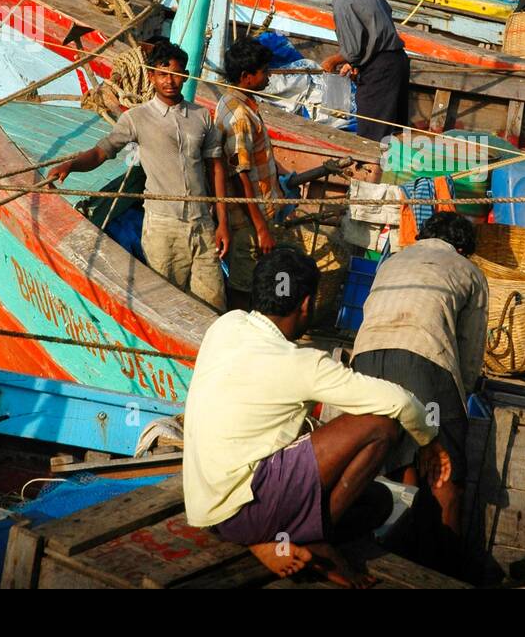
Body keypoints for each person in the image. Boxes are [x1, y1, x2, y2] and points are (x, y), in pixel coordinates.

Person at [183, 247, 450, 587]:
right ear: (306, 304)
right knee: (380, 426)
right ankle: (311, 538)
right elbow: (398, 401)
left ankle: (272, 539)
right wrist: (431, 442)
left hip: (208, 510)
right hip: (244, 508)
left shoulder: (225, 325)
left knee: (378, 503)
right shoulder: (302, 363)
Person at [350, 211, 488, 573]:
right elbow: (470, 349)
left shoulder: (392, 261)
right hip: (424, 361)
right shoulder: (468, 270)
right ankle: (445, 570)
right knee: (447, 476)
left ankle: (398, 561)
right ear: (462, 248)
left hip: (365, 362)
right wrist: (463, 394)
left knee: (400, 463)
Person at [48, 42, 228, 311]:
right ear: (152, 76)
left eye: (176, 74)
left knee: (214, 302)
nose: (170, 81)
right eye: (162, 74)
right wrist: (71, 165)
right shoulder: (137, 118)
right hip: (162, 226)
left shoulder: (201, 116)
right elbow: (102, 152)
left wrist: (222, 222)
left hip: (202, 223)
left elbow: (217, 168)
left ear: (186, 75)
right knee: (167, 305)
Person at [213, 36, 298, 310]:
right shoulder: (240, 117)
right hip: (249, 222)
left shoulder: (230, 100)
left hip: (259, 212)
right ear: (246, 77)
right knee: (244, 286)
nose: (269, 77)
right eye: (265, 72)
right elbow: (241, 175)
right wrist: (261, 228)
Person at [313, 0, 411, 143]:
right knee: (396, 128)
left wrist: (333, 61)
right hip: (398, 62)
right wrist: (353, 62)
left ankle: (371, 172)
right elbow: (378, 25)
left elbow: (352, 50)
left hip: (379, 72)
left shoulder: (342, 2)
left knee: (371, 135)